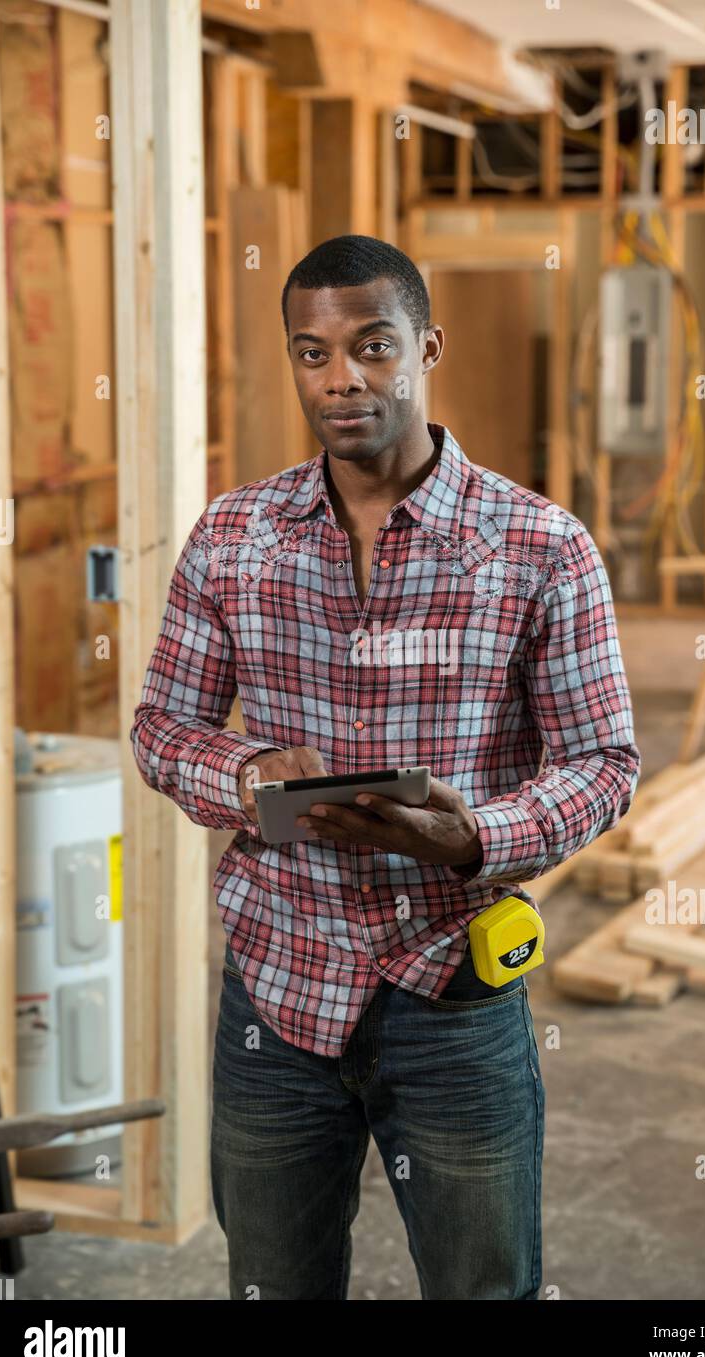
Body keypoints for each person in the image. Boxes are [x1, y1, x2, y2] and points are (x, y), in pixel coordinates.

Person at [130, 234, 641, 1301]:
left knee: (481, 1287)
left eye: (371, 346)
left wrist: (477, 836)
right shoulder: (234, 535)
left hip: (452, 993)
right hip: (275, 991)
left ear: (425, 346)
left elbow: (602, 762)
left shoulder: (539, 546)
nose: (342, 377)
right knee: (272, 1283)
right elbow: (162, 727)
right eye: (311, 353)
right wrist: (246, 772)